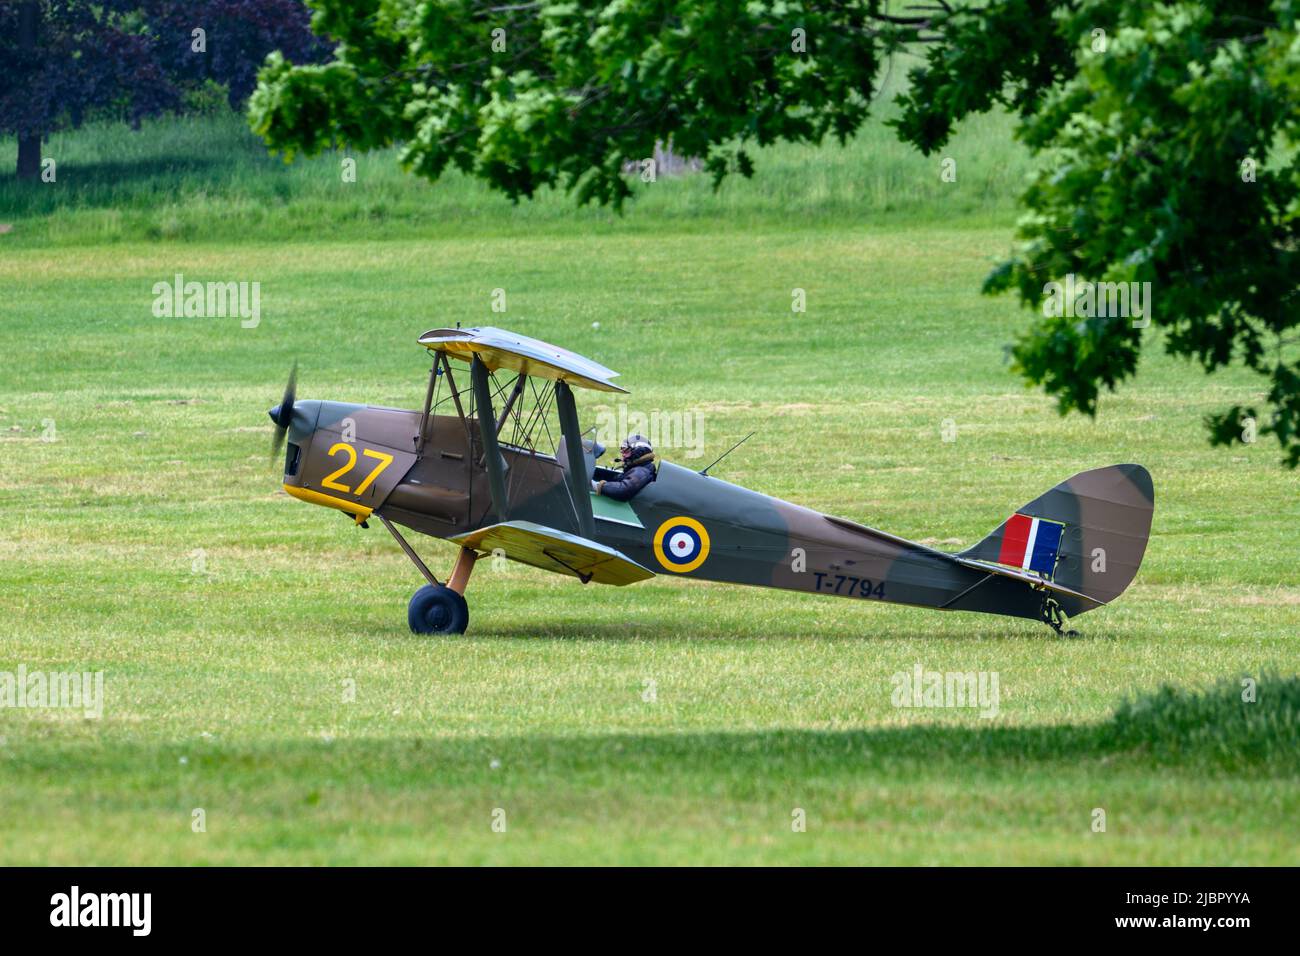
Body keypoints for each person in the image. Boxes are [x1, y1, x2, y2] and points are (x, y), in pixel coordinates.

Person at [592, 434, 657, 501]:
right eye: (622, 450)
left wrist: (596, 485)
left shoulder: (642, 471)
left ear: (639, 452)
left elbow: (623, 491)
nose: (623, 454)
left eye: (626, 451)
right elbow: (618, 479)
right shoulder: (640, 468)